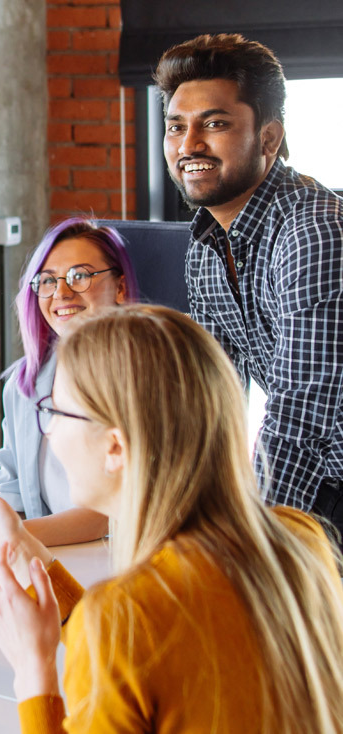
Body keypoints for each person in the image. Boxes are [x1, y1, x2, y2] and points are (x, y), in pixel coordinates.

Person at [0, 304, 343, 732]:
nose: (48, 431)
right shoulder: (301, 542)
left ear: (116, 448)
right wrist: (18, 547)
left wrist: (34, 671)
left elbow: (127, 634)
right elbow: (141, 644)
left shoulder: (122, 620)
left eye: (56, 412)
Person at [156, 34, 343, 532]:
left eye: (214, 124)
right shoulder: (206, 240)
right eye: (176, 127)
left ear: (268, 138)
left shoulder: (314, 229)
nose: (189, 145)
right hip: (320, 481)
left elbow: (302, 410)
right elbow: (214, 398)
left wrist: (251, 541)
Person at [0, 218, 138, 546]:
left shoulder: (149, 376)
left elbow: (114, 509)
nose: (61, 292)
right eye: (47, 280)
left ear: (120, 287)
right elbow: (13, 487)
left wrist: (8, 538)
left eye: (80, 275)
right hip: (52, 559)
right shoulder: (22, 384)